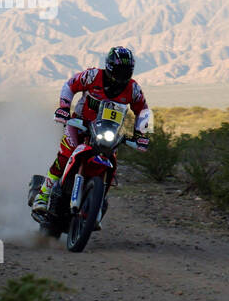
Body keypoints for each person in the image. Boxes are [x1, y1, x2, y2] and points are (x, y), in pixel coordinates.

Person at [31, 46, 152, 214]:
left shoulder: (133, 89)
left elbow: (143, 111)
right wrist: (64, 108)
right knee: (66, 154)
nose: (122, 74)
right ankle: (43, 195)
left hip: (109, 133)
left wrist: (141, 135)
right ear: (110, 67)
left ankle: (97, 203)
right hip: (80, 125)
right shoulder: (93, 76)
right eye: (119, 69)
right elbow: (70, 85)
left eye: (126, 70)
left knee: (112, 164)